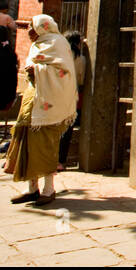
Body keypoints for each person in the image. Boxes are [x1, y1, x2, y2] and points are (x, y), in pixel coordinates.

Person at [4, 15, 76, 207]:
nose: (28, 30)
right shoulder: (37, 44)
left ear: (42, 27)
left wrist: (38, 70)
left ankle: (48, 189)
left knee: (45, 145)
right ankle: (31, 188)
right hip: (32, 97)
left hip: (49, 101)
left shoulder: (57, 42)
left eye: (31, 26)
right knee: (26, 141)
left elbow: (65, 72)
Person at [56, 30, 87, 171]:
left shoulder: (57, 56)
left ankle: (48, 158)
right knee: (67, 129)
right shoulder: (80, 59)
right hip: (71, 95)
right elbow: (81, 79)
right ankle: (60, 161)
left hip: (54, 94)